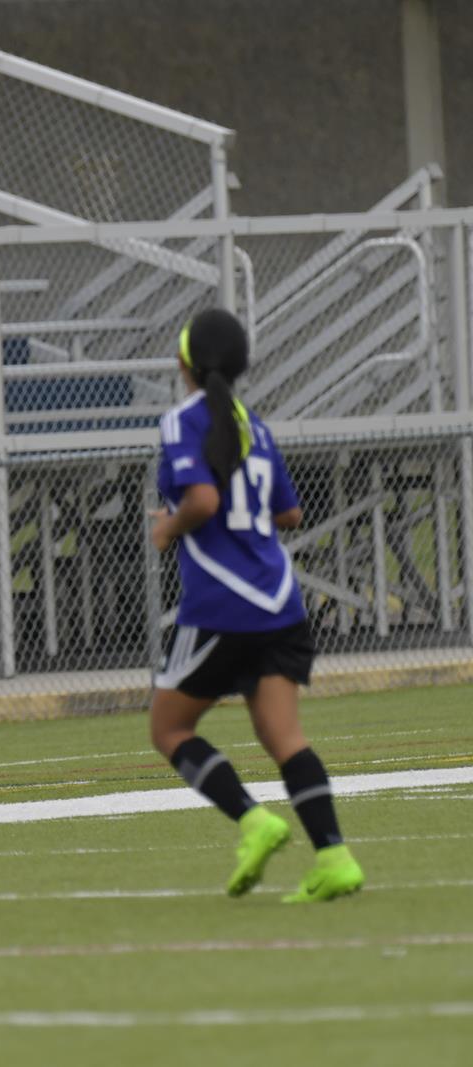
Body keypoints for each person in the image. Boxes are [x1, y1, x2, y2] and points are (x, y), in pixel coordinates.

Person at [148, 308, 363, 903]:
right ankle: (334, 857)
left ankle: (251, 818)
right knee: (284, 736)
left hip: (222, 601)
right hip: (279, 600)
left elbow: (203, 500)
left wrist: (168, 527)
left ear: (184, 363)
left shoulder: (182, 419)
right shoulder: (255, 425)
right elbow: (289, 513)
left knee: (168, 727)